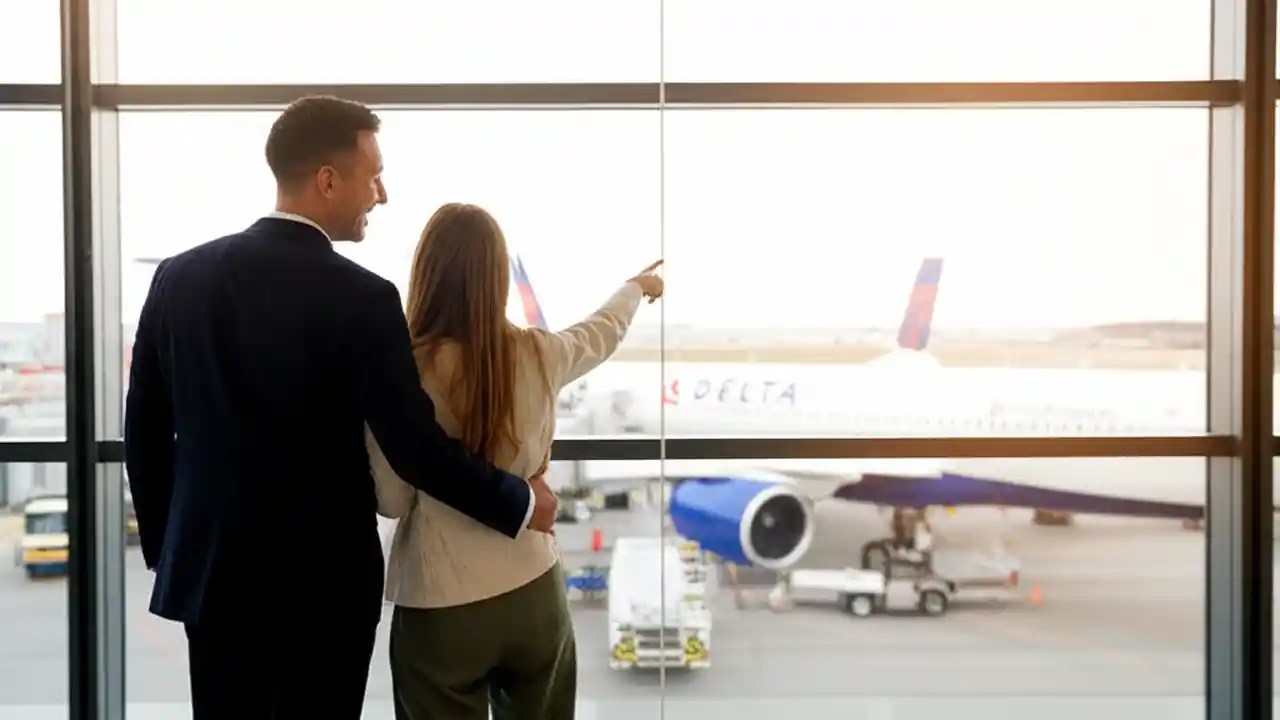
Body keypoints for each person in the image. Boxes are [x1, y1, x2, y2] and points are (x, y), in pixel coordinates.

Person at [123, 95, 559, 720]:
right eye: (372, 175)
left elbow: (143, 433)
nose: (380, 194)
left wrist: (174, 552)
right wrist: (518, 500)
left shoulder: (180, 277)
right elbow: (416, 449)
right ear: (328, 180)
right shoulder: (363, 299)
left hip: (213, 579)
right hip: (324, 590)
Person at [367, 202, 663, 720]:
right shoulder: (539, 352)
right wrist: (636, 288)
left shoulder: (404, 371)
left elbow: (391, 501)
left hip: (441, 601)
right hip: (533, 590)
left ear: (426, 273)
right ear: (498, 278)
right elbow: (602, 331)